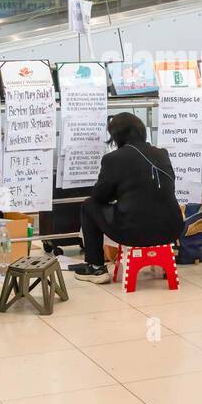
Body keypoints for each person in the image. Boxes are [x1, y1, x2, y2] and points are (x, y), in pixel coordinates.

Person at [69, 112, 184, 283]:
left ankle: (96, 268)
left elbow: (100, 196)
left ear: (116, 136)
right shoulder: (162, 153)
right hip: (172, 229)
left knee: (89, 205)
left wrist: (119, 194)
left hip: (134, 232)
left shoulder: (113, 159)